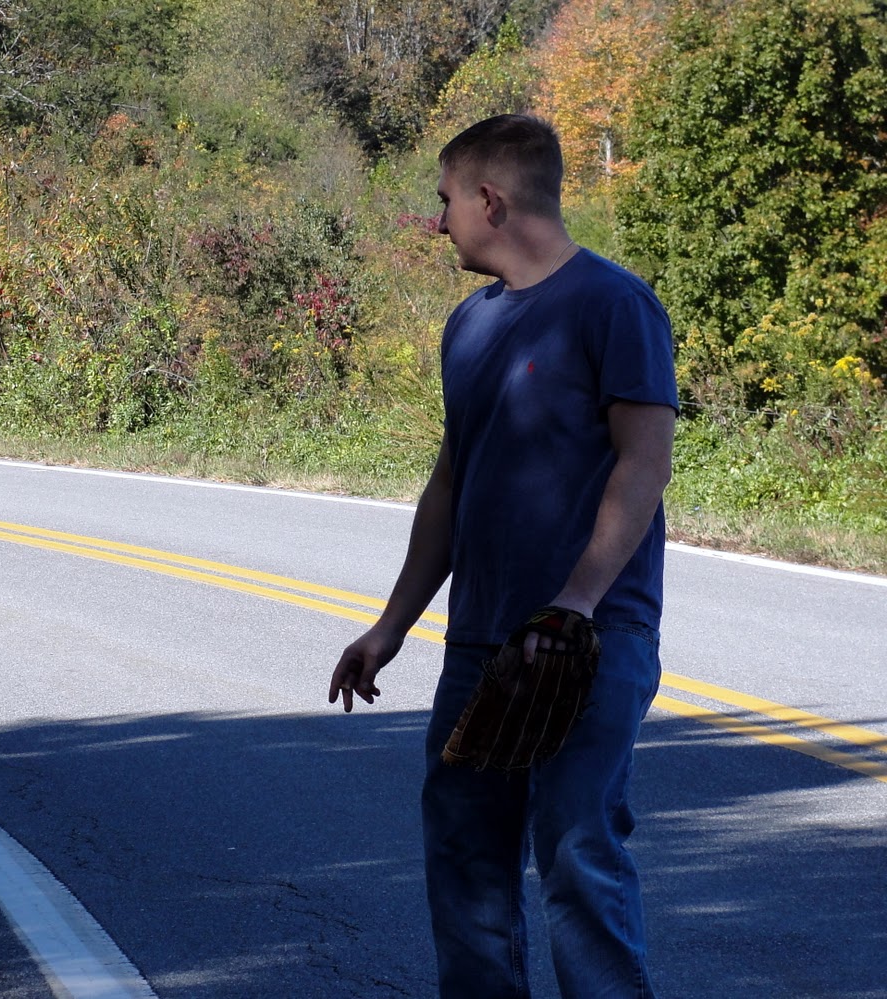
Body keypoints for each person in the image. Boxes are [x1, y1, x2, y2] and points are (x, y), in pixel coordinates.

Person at [327, 114, 677, 998]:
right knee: (465, 859)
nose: (437, 220)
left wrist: (578, 603)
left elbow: (645, 464)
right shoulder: (467, 326)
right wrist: (391, 625)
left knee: (576, 853)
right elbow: (451, 484)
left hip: (586, 640)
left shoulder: (616, 305)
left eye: (445, 200)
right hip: (481, 643)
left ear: (492, 199)